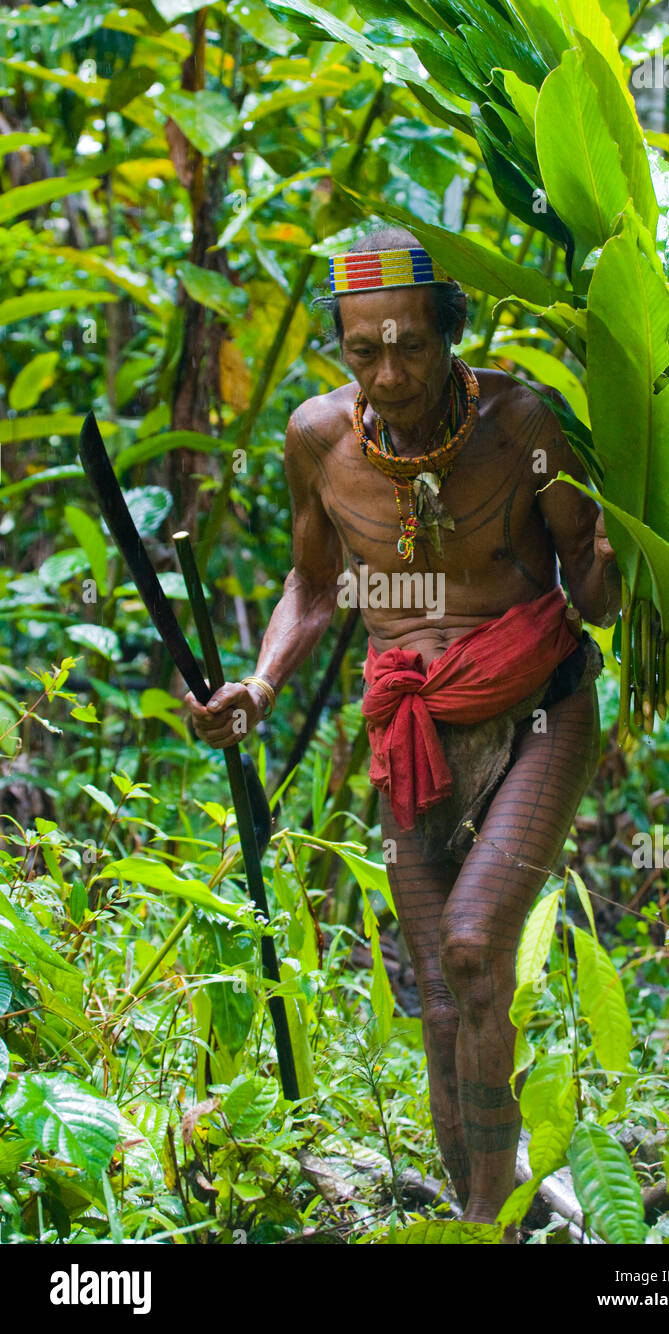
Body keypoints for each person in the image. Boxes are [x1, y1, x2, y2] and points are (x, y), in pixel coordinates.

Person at [185, 227, 622, 1226]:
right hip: (411, 728)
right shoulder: (317, 440)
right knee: (436, 986)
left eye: (410, 347)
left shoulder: (523, 423)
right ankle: (489, 1202)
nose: (387, 374)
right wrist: (260, 685)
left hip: (539, 710)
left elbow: (589, 595)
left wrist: (617, 552)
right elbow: (312, 585)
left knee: (471, 948)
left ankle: (483, 1226)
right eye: (362, 351)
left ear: (450, 332)